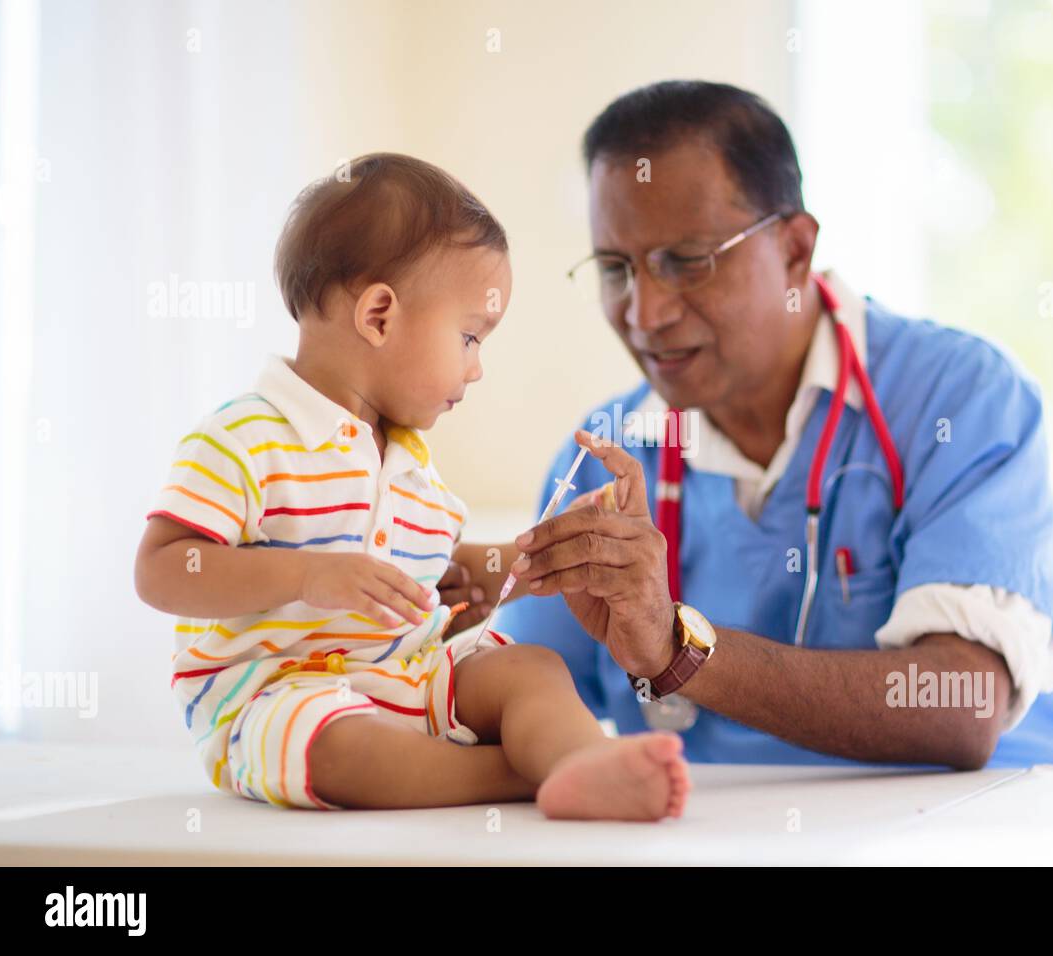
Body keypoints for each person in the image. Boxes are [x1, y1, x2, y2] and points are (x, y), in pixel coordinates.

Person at [449, 81, 1053, 771]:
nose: (646, 313)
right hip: (742, 839)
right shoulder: (603, 454)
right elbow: (523, 691)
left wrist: (677, 648)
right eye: (616, 269)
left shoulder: (960, 398)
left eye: (687, 262)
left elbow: (960, 703)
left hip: (1000, 825)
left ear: (796, 249)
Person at [133, 153, 690, 819]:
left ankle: (579, 765)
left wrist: (557, 547)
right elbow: (162, 569)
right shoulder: (242, 439)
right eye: (470, 337)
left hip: (401, 680)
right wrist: (308, 576)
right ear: (378, 315)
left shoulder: (412, 466)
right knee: (341, 750)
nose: (476, 369)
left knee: (529, 666)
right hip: (271, 701)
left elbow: (440, 581)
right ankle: (525, 776)